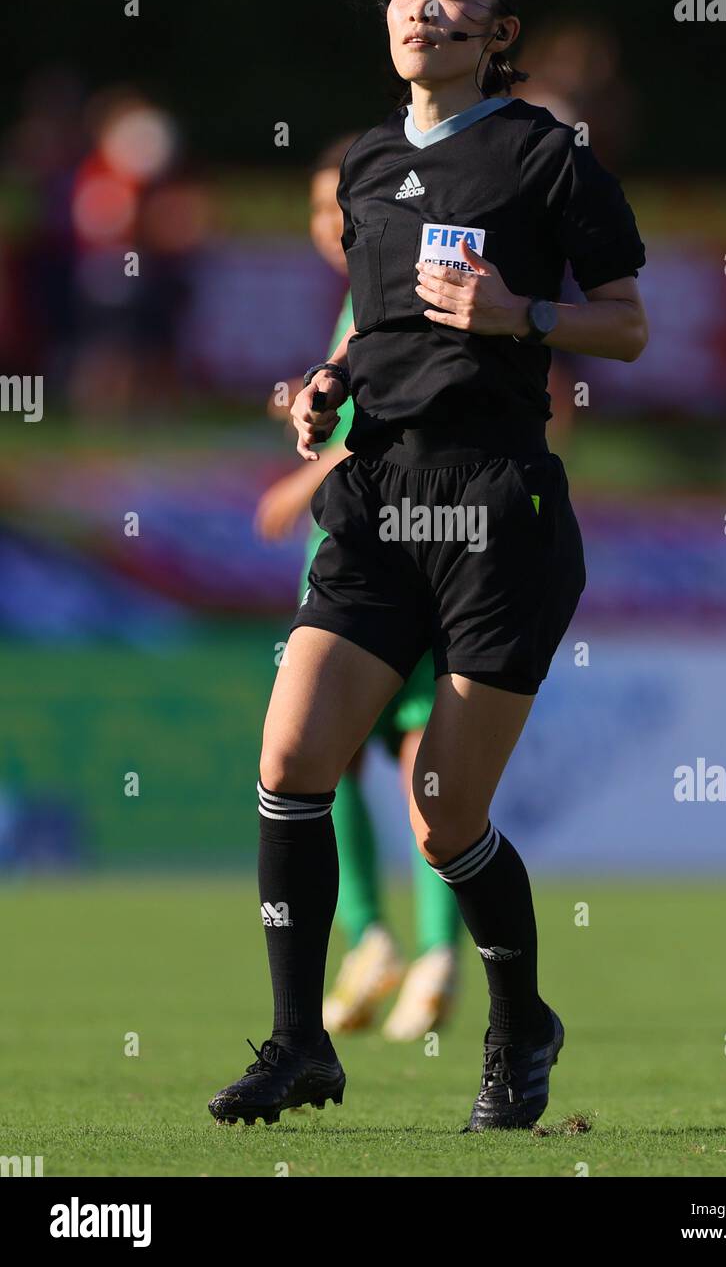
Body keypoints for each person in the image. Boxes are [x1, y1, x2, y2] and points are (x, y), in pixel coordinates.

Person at [209, 0, 647, 1132]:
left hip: (494, 509)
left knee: (443, 815)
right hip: (375, 498)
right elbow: (375, 327)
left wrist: (521, 312)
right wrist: (325, 386)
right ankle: (301, 1042)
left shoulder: (545, 158)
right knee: (291, 761)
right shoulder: (360, 162)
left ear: (498, 32)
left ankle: (521, 1029)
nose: (424, 6)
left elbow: (625, 324)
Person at [255, 138, 462, 1040]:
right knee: (370, 758)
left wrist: (296, 483)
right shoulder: (373, 288)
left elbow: (397, 421)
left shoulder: (392, 285)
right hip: (388, 543)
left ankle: (404, 943)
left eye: (334, 210)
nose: (324, 229)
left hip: (381, 550)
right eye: (314, 212)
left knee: (367, 758)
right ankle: (401, 947)